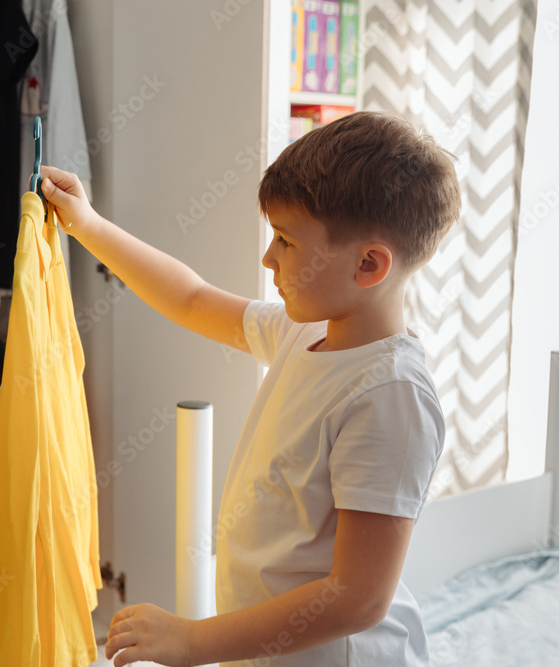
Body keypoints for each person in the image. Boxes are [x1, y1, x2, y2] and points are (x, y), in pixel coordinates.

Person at [38, 110, 462, 667]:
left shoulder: (390, 396)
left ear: (368, 264)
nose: (268, 258)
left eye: (286, 241)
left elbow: (359, 598)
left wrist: (194, 640)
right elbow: (190, 298)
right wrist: (87, 225)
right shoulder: (303, 331)